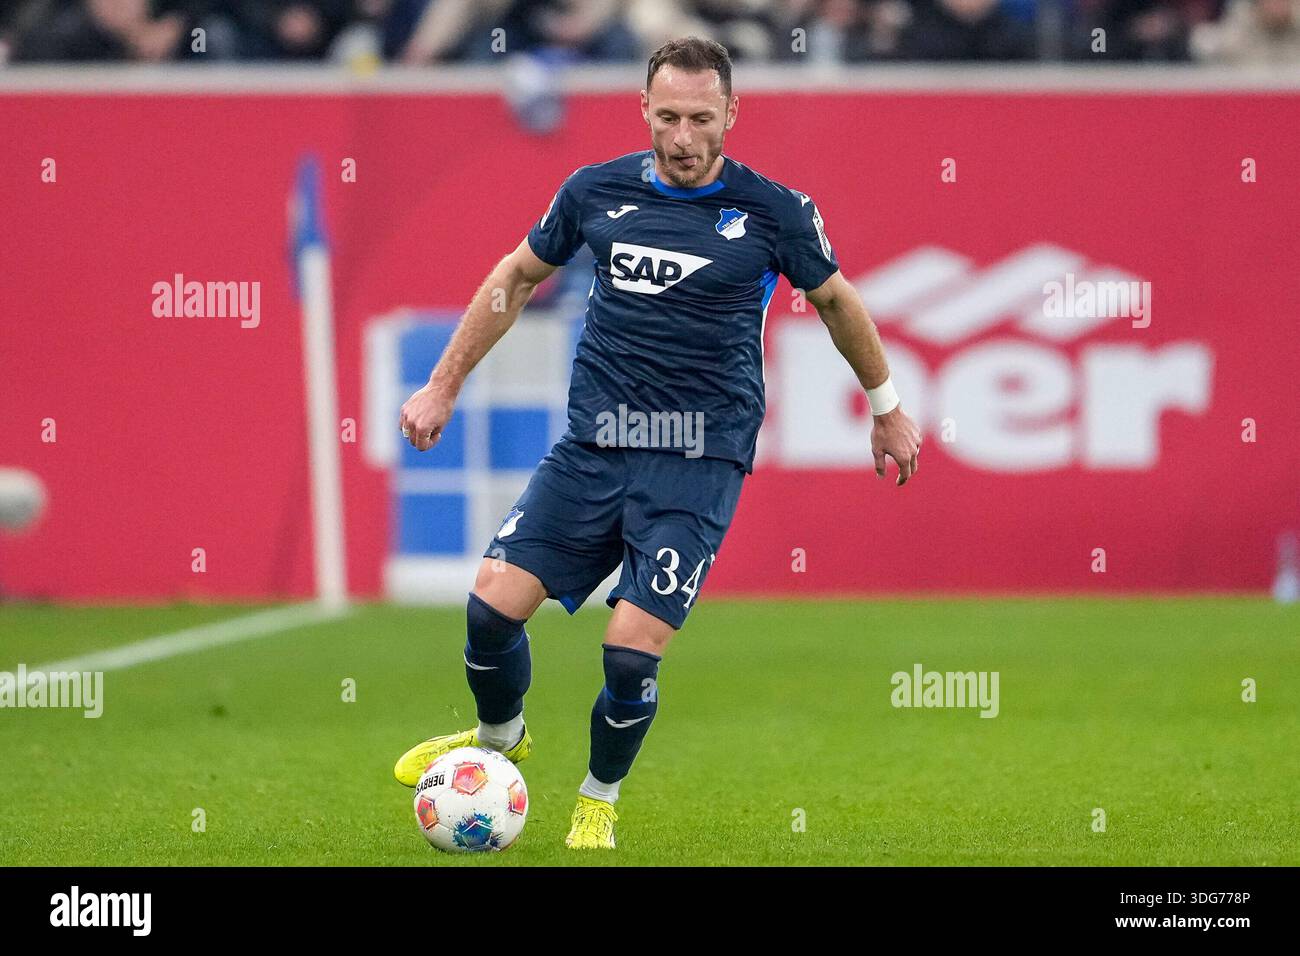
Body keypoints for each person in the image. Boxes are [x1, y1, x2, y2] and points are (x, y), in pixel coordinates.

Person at [393, 35, 922, 849]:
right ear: (643, 110)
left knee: (629, 653)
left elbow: (838, 303)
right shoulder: (593, 191)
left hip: (699, 461)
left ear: (732, 114)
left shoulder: (775, 212)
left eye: (701, 119)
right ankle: (502, 740)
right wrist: (443, 382)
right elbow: (517, 278)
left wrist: (885, 407)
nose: (682, 138)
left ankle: (597, 797)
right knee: (490, 609)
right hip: (595, 445)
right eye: (667, 117)